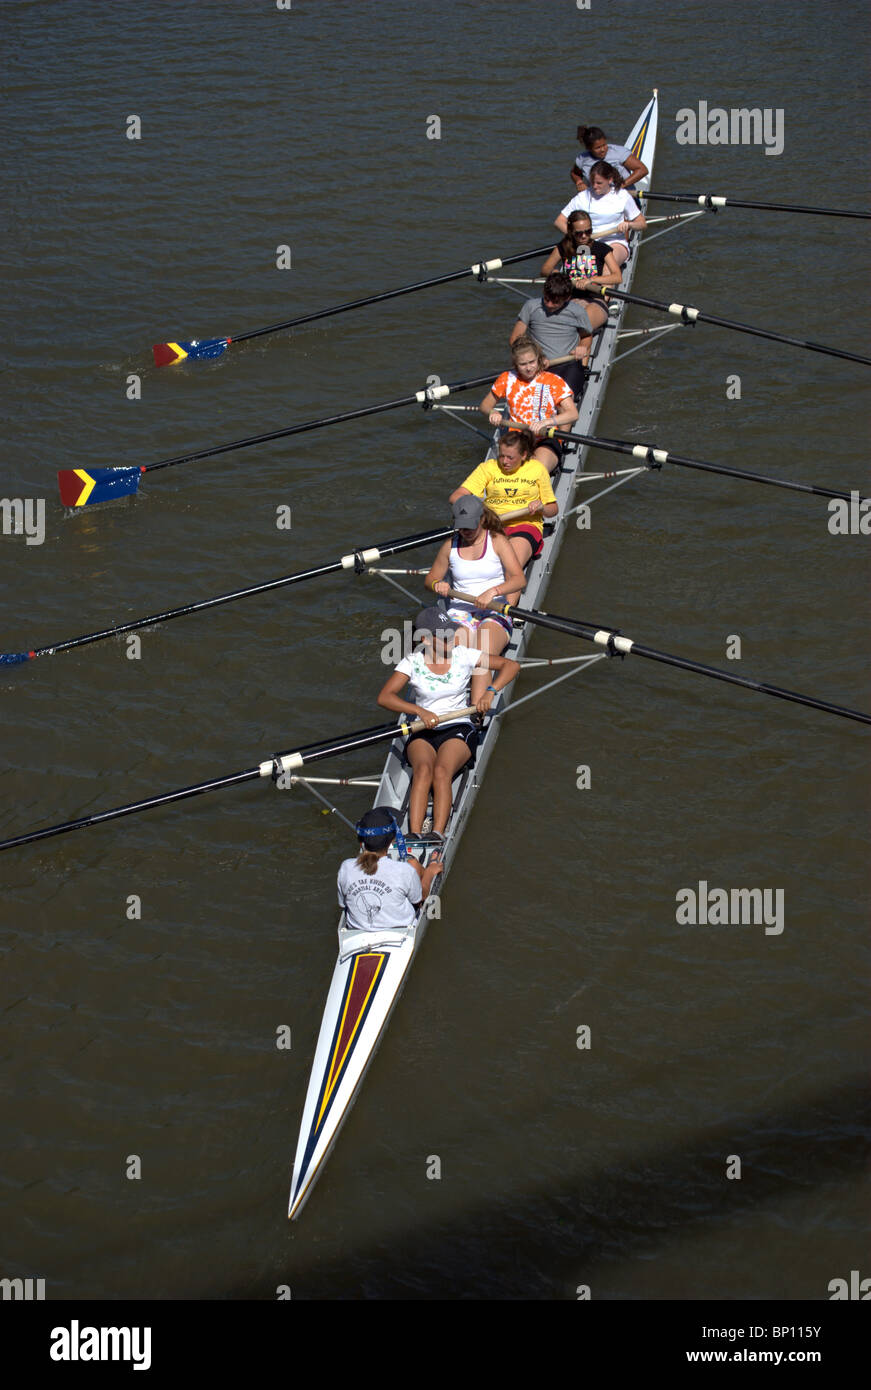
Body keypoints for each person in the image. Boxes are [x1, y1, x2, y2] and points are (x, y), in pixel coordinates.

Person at [377, 608, 520, 842]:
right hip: (423, 728)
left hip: (458, 727)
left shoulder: (464, 655)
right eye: (444, 637)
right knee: (423, 771)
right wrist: (418, 711)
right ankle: (413, 834)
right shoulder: (412, 662)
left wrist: (490, 692)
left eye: (452, 633)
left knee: (441, 772)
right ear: (425, 639)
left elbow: (511, 666)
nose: (452, 639)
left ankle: (436, 833)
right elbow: (385, 697)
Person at [425, 495, 526, 697]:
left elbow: (518, 580)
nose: (466, 532)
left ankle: (476, 712)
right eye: (462, 528)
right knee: (453, 658)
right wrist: (439, 584)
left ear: (481, 519)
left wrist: (493, 592)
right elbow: (430, 580)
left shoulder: (497, 541)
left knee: (481, 657)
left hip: (494, 610)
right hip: (461, 612)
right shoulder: (449, 546)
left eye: (470, 527)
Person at [449, 428, 558, 569]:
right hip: (491, 525)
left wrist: (541, 507)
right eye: (501, 456)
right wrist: (478, 510)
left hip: (524, 525)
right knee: (469, 567)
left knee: (510, 567)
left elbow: (553, 509)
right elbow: (456, 497)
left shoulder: (537, 469)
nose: (504, 462)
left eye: (510, 458)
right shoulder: (488, 468)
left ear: (524, 455)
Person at [479, 337, 577, 474]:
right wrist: (492, 412)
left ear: (538, 359)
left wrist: (547, 421)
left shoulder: (553, 381)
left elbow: (573, 414)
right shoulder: (507, 378)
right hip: (518, 439)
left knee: (533, 473)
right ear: (515, 364)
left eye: (532, 362)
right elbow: (484, 406)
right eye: (523, 364)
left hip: (546, 437)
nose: (529, 368)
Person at [337, 807, 443, 931]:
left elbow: (343, 904)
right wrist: (430, 873)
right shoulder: (404, 870)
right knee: (414, 865)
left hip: (358, 934)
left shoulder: (346, 867)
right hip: (401, 931)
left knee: (412, 865)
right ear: (393, 840)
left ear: (361, 842)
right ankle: (428, 867)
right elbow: (420, 897)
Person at [540, 211, 622, 344]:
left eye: (588, 231)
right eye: (579, 233)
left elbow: (617, 277)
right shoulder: (563, 248)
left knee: (582, 324)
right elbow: (545, 270)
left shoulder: (602, 249)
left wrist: (591, 280)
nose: (584, 236)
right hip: (569, 299)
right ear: (571, 232)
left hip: (595, 299)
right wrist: (562, 277)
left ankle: (579, 359)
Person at [509, 271, 592, 395]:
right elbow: (515, 339)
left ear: (567, 298)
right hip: (537, 366)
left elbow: (586, 336)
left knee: (561, 397)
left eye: (555, 302)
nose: (549, 305)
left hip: (568, 364)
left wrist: (582, 347)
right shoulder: (531, 306)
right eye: (547, 299)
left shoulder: (578, 312)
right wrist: (534, 359)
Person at [555, 161, 646, 270]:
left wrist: (629, 225)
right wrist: (576, 237)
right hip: (587, 243)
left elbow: (642, 224)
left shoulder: (622, 196)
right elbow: (559, 221)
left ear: (610, 180)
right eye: (592, 182)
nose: (594, 186)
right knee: (583, 274)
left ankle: (607, 282)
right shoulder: (582, 197)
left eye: (599, 183)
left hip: (614, 242)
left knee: (608, 267)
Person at [570, 123, 648, 192]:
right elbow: (574, 173)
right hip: (597, 198)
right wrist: (579, 182)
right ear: (588, 148)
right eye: (598, 148)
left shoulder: (619, 153)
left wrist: (621, 185)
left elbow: (642, 170)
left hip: (624, 194)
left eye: (604, 145)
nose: (603, 149)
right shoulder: (582, 159)